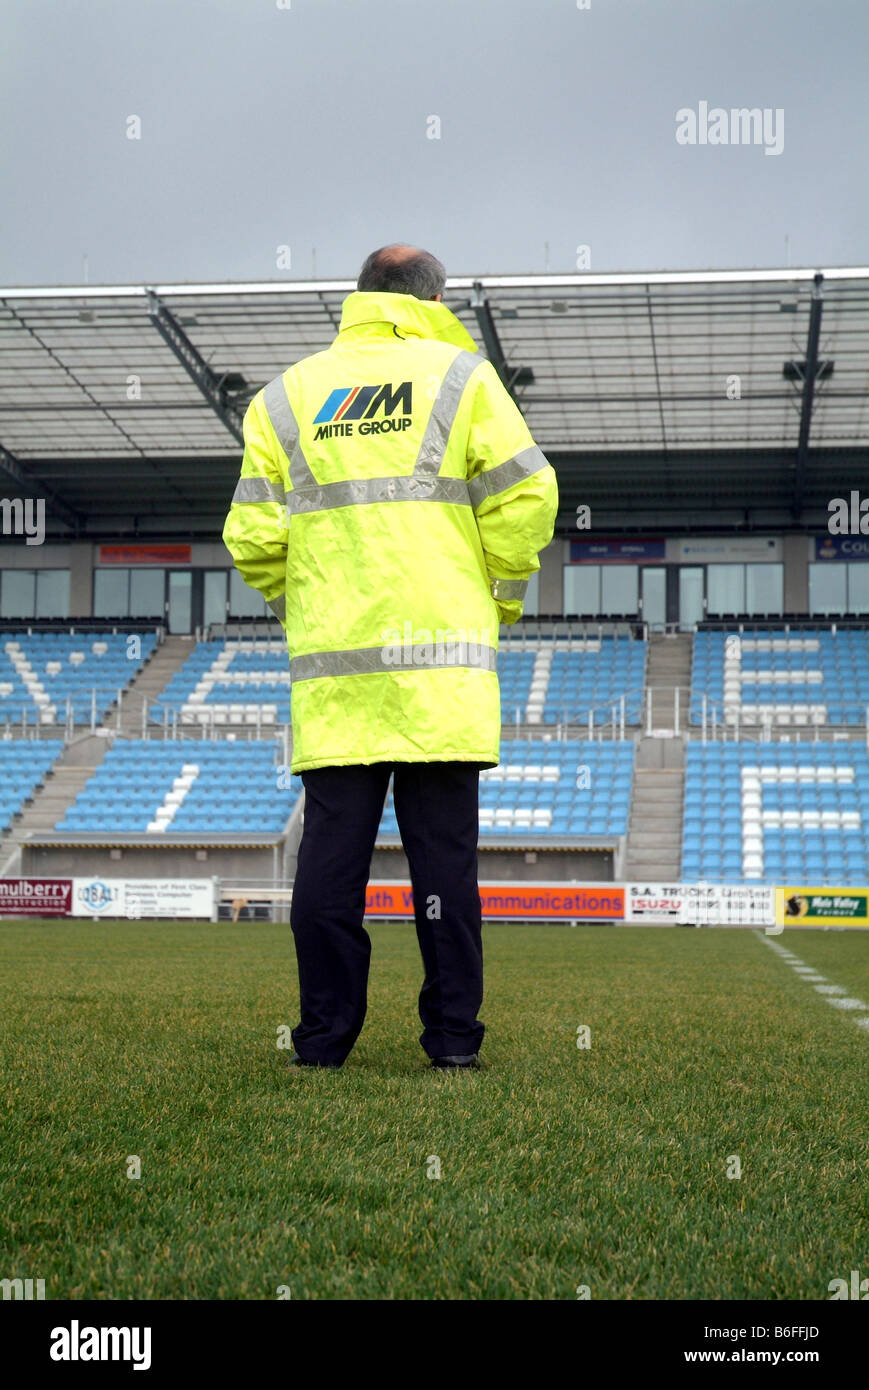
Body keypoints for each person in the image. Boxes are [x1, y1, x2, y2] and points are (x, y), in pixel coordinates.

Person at [223, 244, 558, 1070]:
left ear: (359, 295)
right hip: (440, 670)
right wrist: (498, 598)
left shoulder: (284, 396)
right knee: (444, 868)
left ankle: (322, 1042)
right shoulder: (463, 378)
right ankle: (450, 1044)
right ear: (432, 297)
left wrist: (302, 601)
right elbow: (525, 497)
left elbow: (252, 536)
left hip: (338, 679)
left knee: (328, 868)